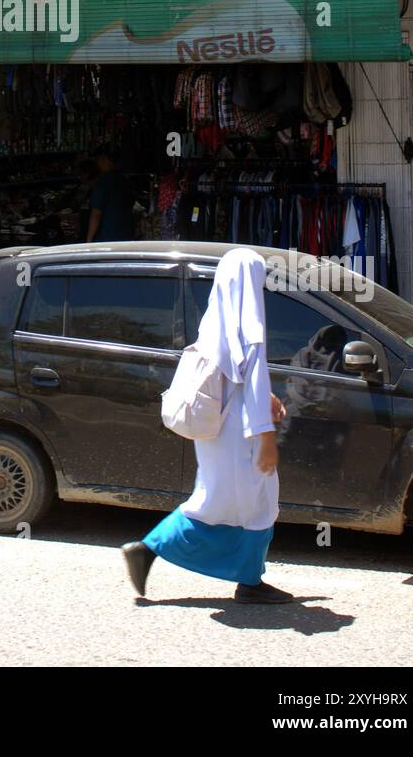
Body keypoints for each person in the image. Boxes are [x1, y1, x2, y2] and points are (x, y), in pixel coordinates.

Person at [121, 248, 291, 604]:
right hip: (241, 433)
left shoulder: (215, 322)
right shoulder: (250, 326)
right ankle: (245, 581)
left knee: (219, 501)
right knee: (253, 504)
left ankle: (154, 551)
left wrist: (266, 398)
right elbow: (251, 377)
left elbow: (236, 377)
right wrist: (266, 437)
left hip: (218, 432)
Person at [86, 145, 134, 241]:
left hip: (108, 236)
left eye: (99, 160)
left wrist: (89, 239)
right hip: (126, 234)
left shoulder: (104, 182)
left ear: (105, 159)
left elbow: (96, 214)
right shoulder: (124, 180)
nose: (98, 163)